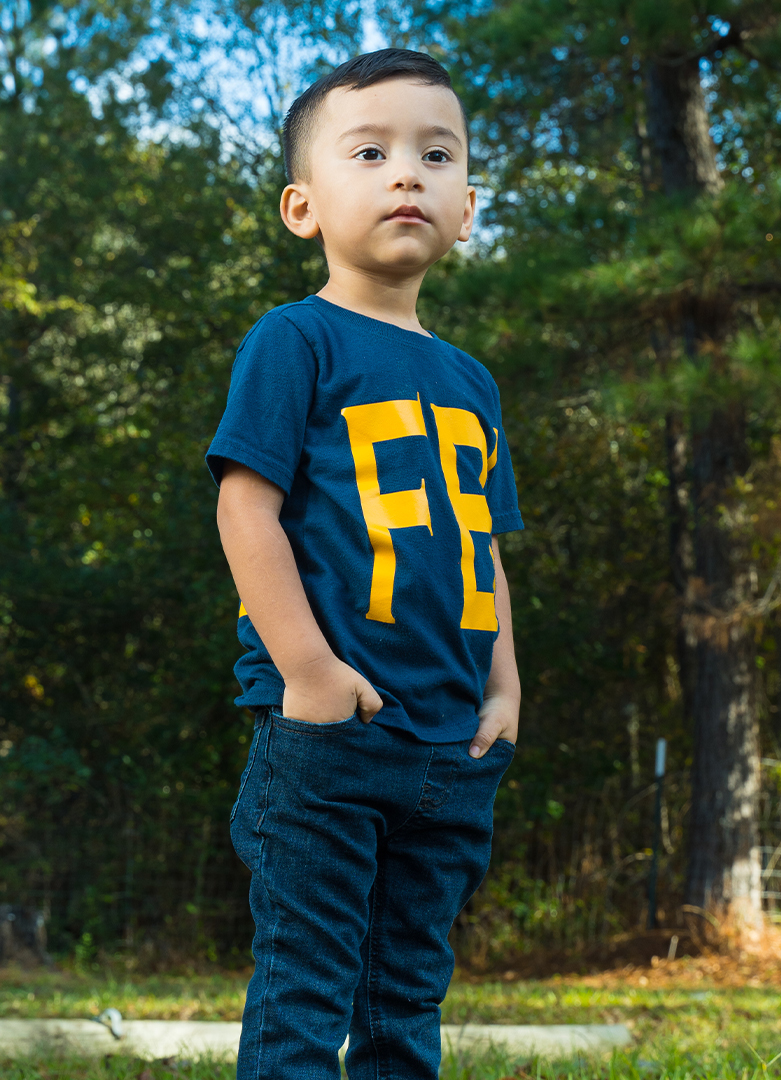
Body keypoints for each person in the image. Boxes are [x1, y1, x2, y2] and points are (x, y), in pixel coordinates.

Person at [207, 48, 522, 1077]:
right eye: (373, 151)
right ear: (304, 207)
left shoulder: (471, 382)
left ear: (467, 207)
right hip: (333, 732)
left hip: (450, 743)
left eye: (436, 155)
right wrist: (308, 670)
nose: (406, 174)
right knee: (306, 985)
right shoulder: (295, 341)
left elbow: (481, 541)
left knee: (407, 995)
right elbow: (244, 506)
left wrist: (504, 686)